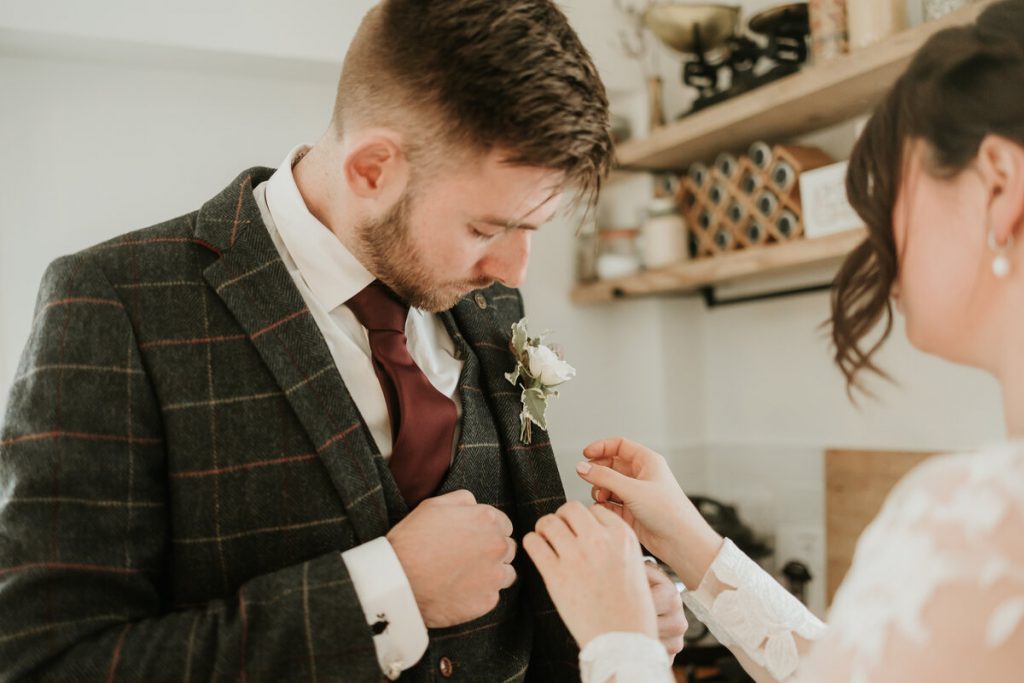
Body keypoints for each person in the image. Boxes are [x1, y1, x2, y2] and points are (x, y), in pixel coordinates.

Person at [0, 2, 689, 681]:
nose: (512, 269)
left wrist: (608, 626)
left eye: (530, 227)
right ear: (372, 169)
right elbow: (49, 660)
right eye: (485, 229)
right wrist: (387, 589)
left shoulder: (487, 297)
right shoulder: (113, 301)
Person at [523, 1, 1024, 681]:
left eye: (895, 198)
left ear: (999, 186)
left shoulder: (974, 520)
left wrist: (620, 639)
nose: (882, 239)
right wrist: (690, 541)